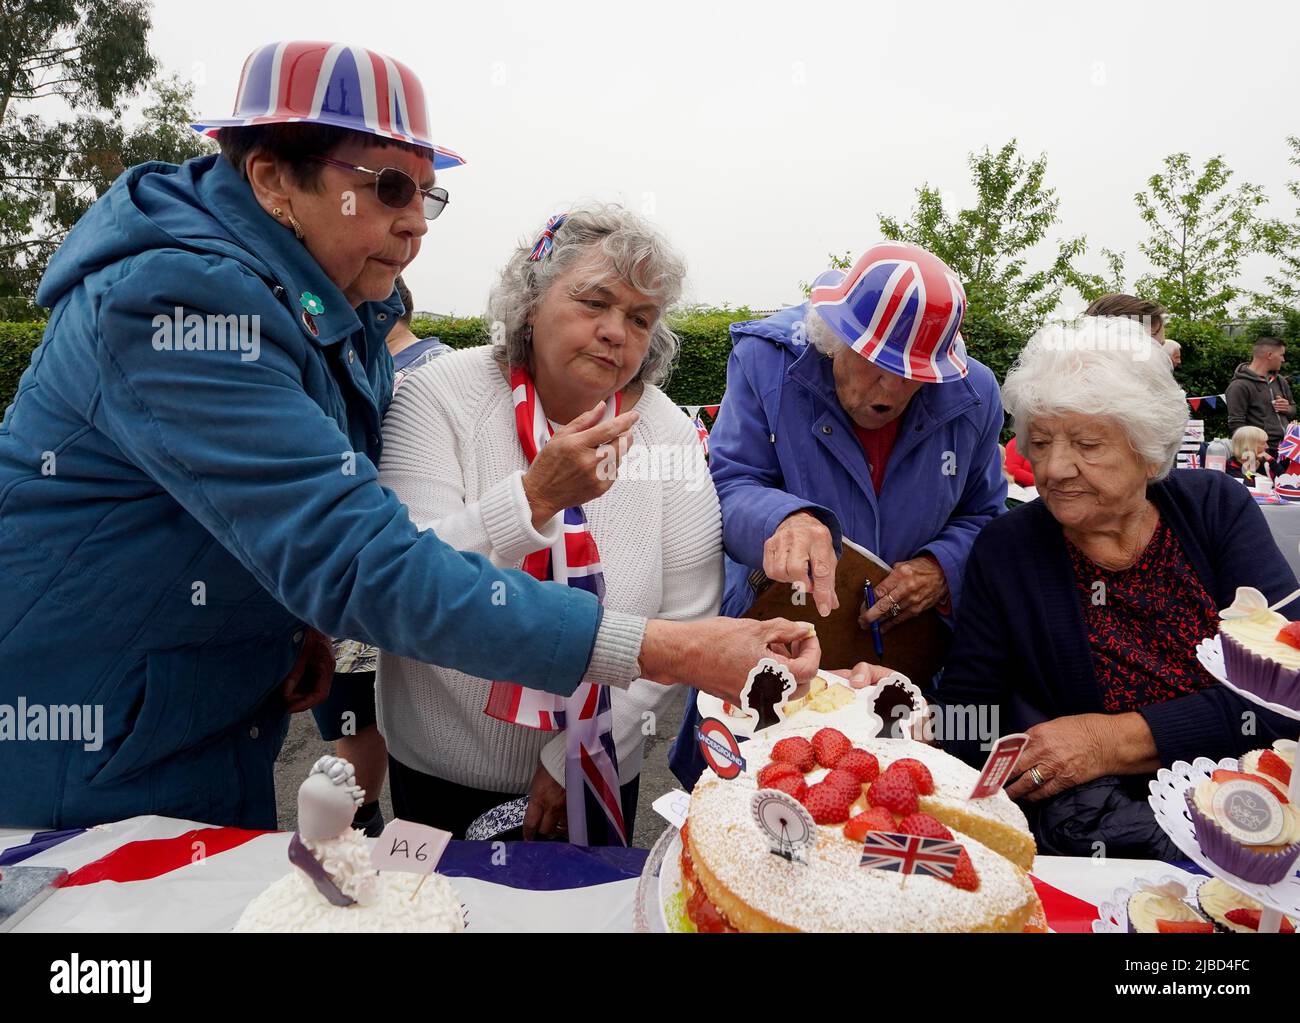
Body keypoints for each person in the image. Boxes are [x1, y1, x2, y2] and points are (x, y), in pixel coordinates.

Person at [0, 41, 819, 831]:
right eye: (389, 187)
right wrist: (667, 650)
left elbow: (276, 513)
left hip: (196, 720)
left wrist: (294, 625)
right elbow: (372, 562)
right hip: (89, 749)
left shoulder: (327, 310)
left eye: (425, 194)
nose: (416, 224)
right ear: (272, 179)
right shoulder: (185, 303)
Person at [376, 206, 721, 842]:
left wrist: (579, 755)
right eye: (595, 302)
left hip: (595, 766)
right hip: (439, 772)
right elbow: (401, 584)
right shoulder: (437, 396)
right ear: (530, 304)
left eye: (640, 318)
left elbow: (689, 615)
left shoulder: (669, 433)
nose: (616, 331)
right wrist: (534, 498)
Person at [907, 317, 1297, 858]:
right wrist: (903, 714)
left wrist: (1113, 740)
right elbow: (974, 707)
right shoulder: (1008, 548)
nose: (1055, 467)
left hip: (1263, 807)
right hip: (1110, 834)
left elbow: (1288, 693)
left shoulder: (1215, 508)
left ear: (1148, 450)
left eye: (1088, 444)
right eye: (1039, 442)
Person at [670, 242, 1007, 787]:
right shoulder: (767, 360)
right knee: (738, 798)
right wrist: (785, 519)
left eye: (912, 373)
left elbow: (985, 515)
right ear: (834, 339)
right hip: (775, 627)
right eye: (876, 365)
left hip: (899, 655)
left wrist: (942, 566)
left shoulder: (973, 394)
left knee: (880, 806)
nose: (892, 389)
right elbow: (729, 485)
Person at [310, 275, 447, 837]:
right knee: (365, 715)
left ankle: (359, 826)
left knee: (363, 716)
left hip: (382, 562)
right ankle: (363, 823)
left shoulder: (424, 374)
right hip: (377, 565)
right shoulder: (374, 368)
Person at [1226, 336, 1296, 456]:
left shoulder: (1279, 380)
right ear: (1269, 355)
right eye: (1281, 355)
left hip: (1288, 449)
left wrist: (1288, 408)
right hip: (1261, 453)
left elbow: (1293, 409)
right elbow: (1236, 425)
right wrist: (1257, 448)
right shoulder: (1239, 386)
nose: (1283, 359)